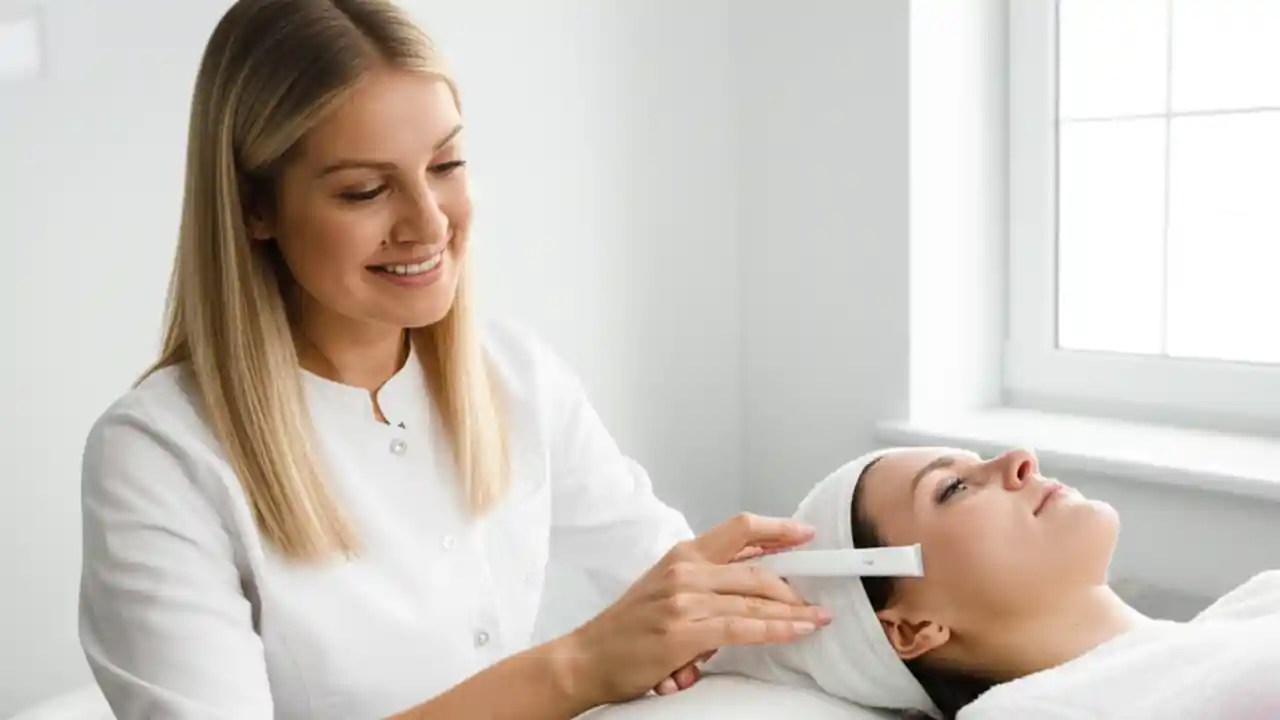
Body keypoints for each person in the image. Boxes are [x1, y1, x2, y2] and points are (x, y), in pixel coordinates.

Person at [77, 2, 830, 718]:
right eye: (366, 190)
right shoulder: (159, 456)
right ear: (254, 207)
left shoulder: (514, 377)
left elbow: (681, 584)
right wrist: (576, 668)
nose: (429, 222)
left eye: (447, 164)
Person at [705, 447, 1280, 719]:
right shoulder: (1034, 713)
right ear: (912, 628)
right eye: (952, 490)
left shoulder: (1262, 600)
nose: (1019, 460)